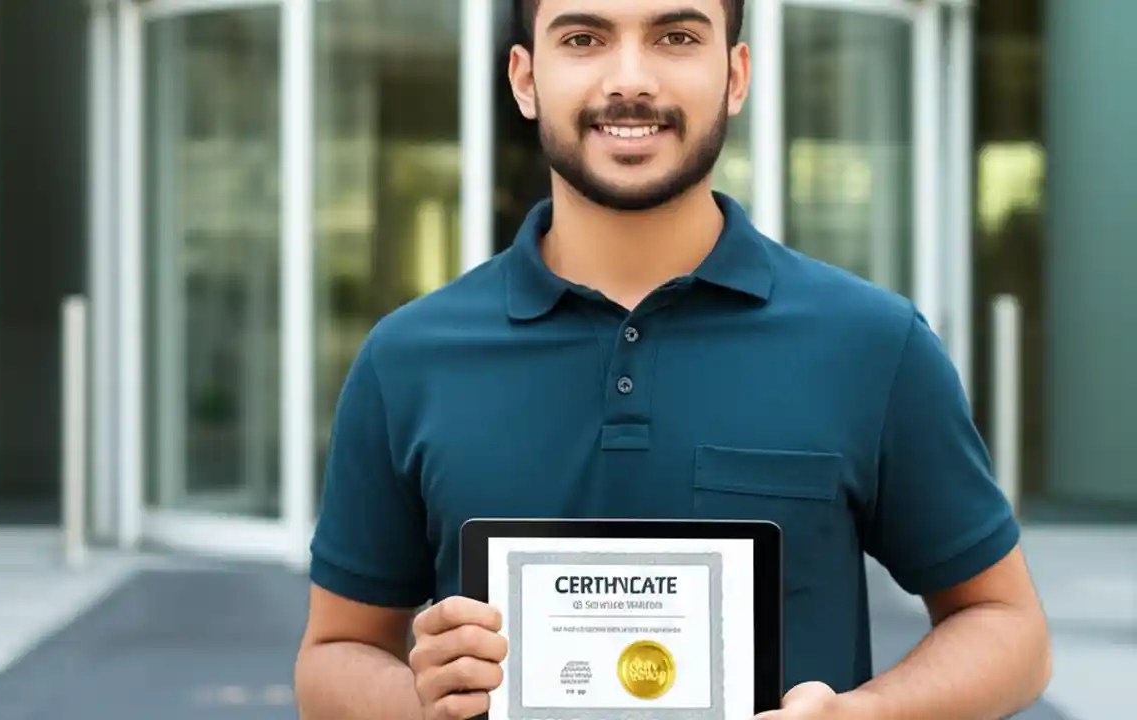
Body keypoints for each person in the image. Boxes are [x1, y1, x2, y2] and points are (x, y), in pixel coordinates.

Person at [294, 1, 1053, 718]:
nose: (630, 79)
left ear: (736, 76)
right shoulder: (407, 359)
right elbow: (333, 655)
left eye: (676, 37)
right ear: (526, 80)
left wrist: (866, 713)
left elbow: (1009, 628)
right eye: (585, 39)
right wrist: (418, 701)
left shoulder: (873, 343)